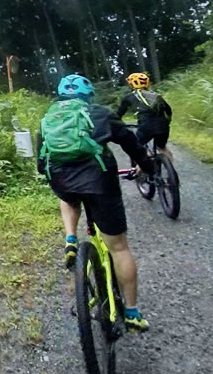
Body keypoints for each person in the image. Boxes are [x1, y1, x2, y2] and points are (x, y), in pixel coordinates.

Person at [37, 74, 155, 332]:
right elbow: (131, 144)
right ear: (88, 94)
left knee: (67, 197)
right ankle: (132, 314)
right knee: (119, 248)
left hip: (62, 180)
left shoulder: (49, 117)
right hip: (100, 182)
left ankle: (70, 238)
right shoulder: (100, 112)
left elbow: (40, 161)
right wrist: (147, 166)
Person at [116, 72, 174, 165]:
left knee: (137, 147)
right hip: (163, 127)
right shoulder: (155, 95)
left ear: (131, 84)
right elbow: (168, 110)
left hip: (146, 127)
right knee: (162, 147)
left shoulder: (128, 97)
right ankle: (171, 172)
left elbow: (118, 114)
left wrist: (118, 124)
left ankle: (141, 170)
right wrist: (168, 121)